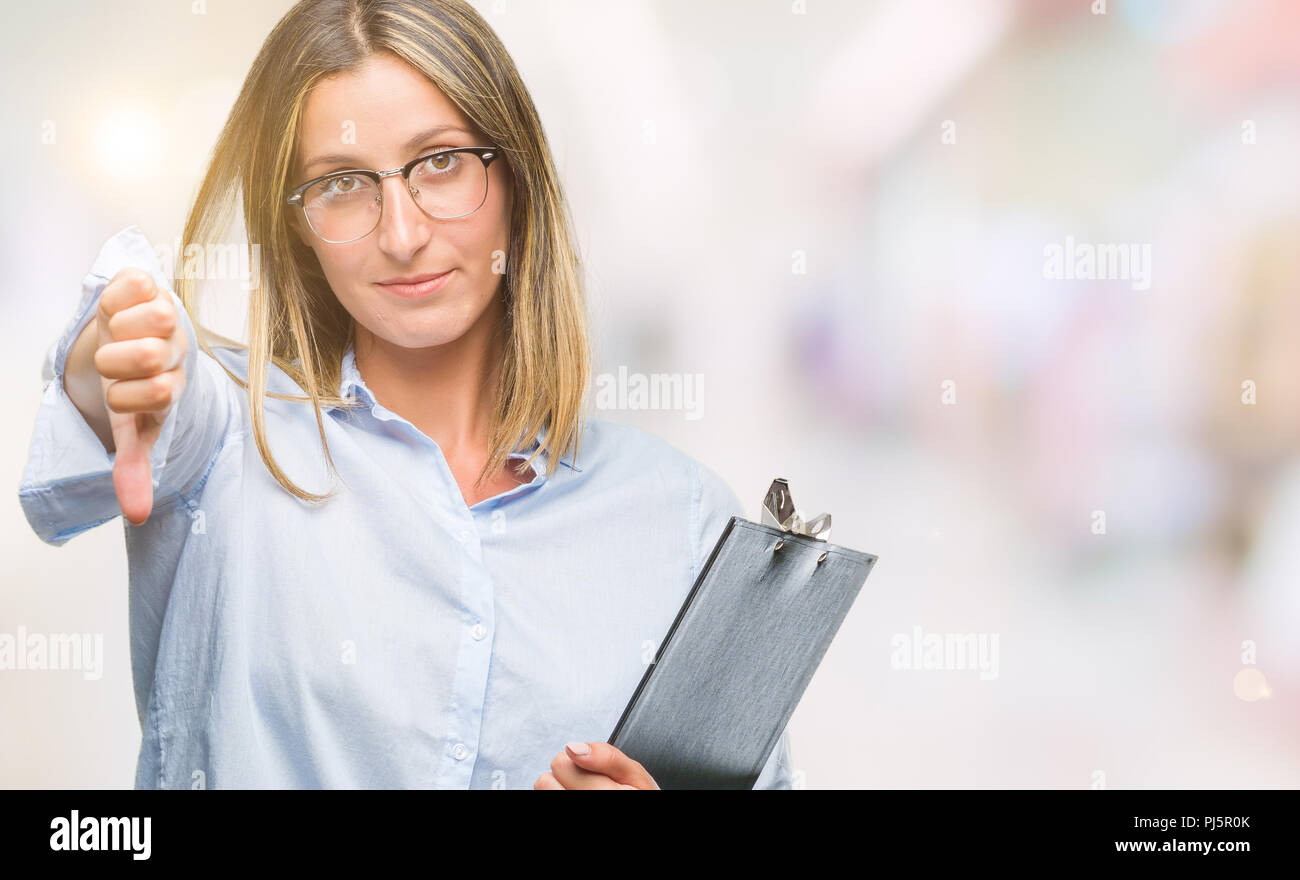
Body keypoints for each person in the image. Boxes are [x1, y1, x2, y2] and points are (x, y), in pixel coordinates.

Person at [17, 0, 793, 790]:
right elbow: (119, 386)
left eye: (442, 163)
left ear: (516, 177)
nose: (401, 234)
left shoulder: (684, 518)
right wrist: (111, 361)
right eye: (343, 183)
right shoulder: (225, 437)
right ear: (298, 226)